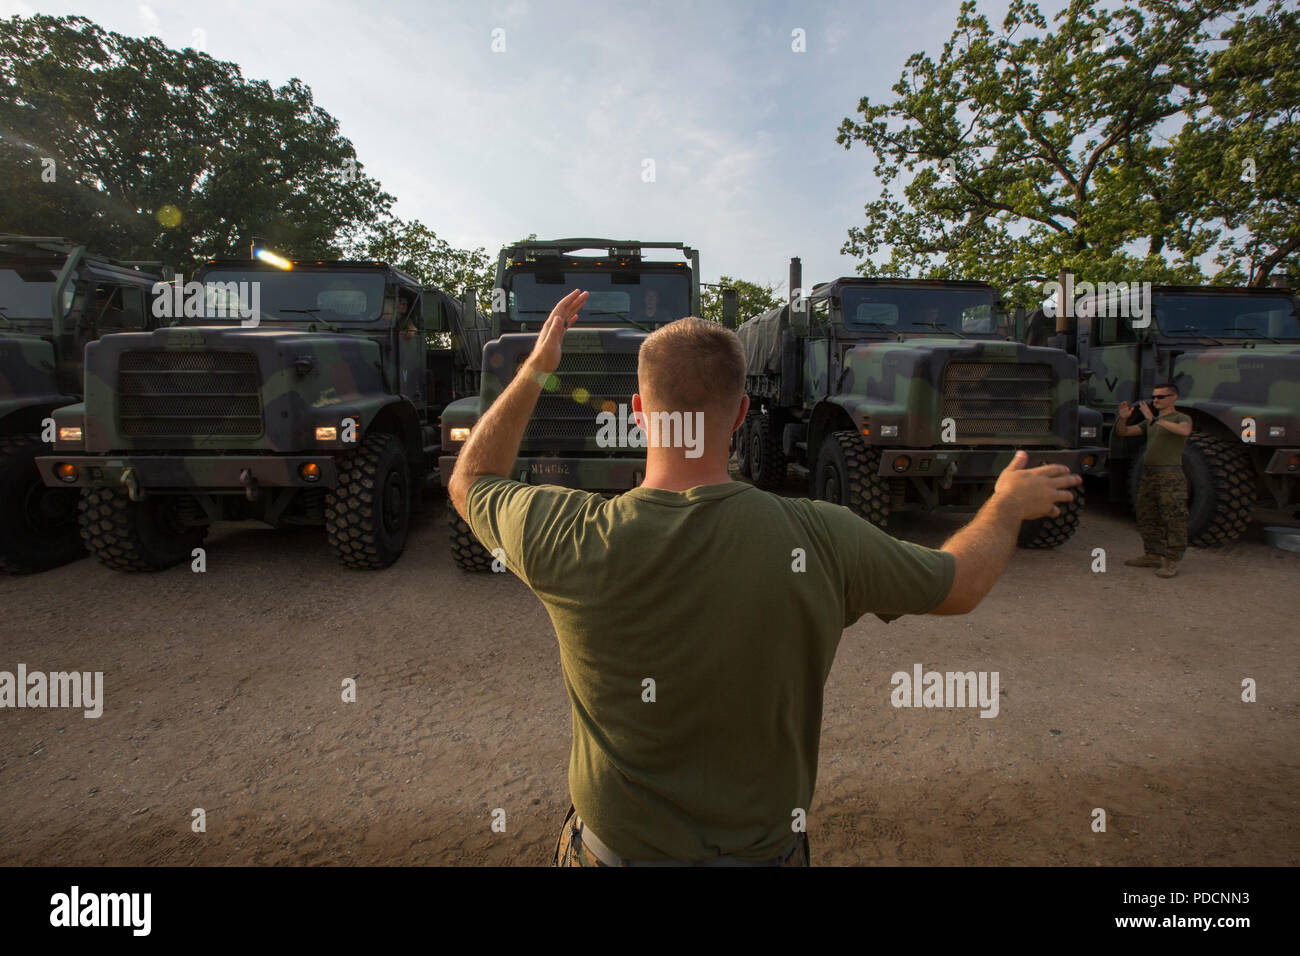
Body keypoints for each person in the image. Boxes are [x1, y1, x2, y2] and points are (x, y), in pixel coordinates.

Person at [447, 291, 1082, 866]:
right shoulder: (823, 536)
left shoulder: (569, 534)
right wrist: (1005, 504)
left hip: (614, 852)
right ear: (744, 411)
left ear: (639, 412)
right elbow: (962, 583)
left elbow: (470, 481)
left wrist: (536, 368)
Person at [1116, 384, 1193, 578]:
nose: (1156, 400)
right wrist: (1123, 420)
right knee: (1147, 514)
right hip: (1149, 474)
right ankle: (1152, 554)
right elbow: (1123, 433)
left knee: (1173, 517)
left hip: (1170, 476)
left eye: (1161, 397)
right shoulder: (1150, 423)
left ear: (1174, 397)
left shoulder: (1181, 418)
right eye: (1154, 397)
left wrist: (1154, 419)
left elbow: (1184, 431)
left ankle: (1172, 559)